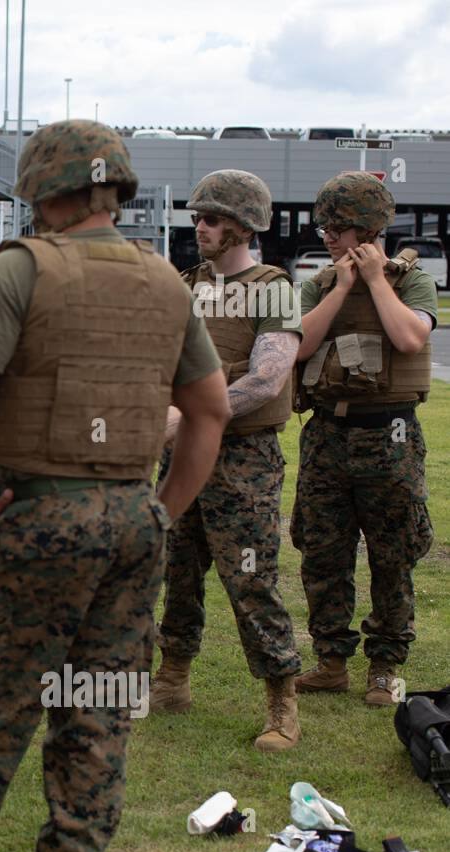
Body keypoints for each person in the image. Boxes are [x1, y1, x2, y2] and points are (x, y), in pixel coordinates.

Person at [0, 120, 230, 852]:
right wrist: (160, 510)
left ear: (40, 187)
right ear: (115, 186)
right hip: (130, 521)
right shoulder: (166, 281)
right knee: (98, 716)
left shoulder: (18, 270)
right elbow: (210, 410)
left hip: (31, 518)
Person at [150, 170, 303, 751]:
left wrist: (184, 419)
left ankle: (281, 701)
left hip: (242, 458)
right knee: (177, 568)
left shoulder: (273, 288)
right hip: (181, 454)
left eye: (210, 219)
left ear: (241, 226)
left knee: (250, 577)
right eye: (197, 219)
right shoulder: (189, 285)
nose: (200, 228)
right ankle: (173, 678)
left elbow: (266, 379)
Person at [292, 171, 439, 706]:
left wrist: (377, 281)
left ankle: (385, 667)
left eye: (339, 226)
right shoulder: (319, 283)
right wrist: (344, 285)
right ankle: (330, 661)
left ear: (367, 228)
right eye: (325, 225)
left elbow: (407, 336)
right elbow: (300, 347)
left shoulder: (412, 283)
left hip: (391, 436)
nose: (328, 235)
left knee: (392, 552)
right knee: (323, 550)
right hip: (329, 434)